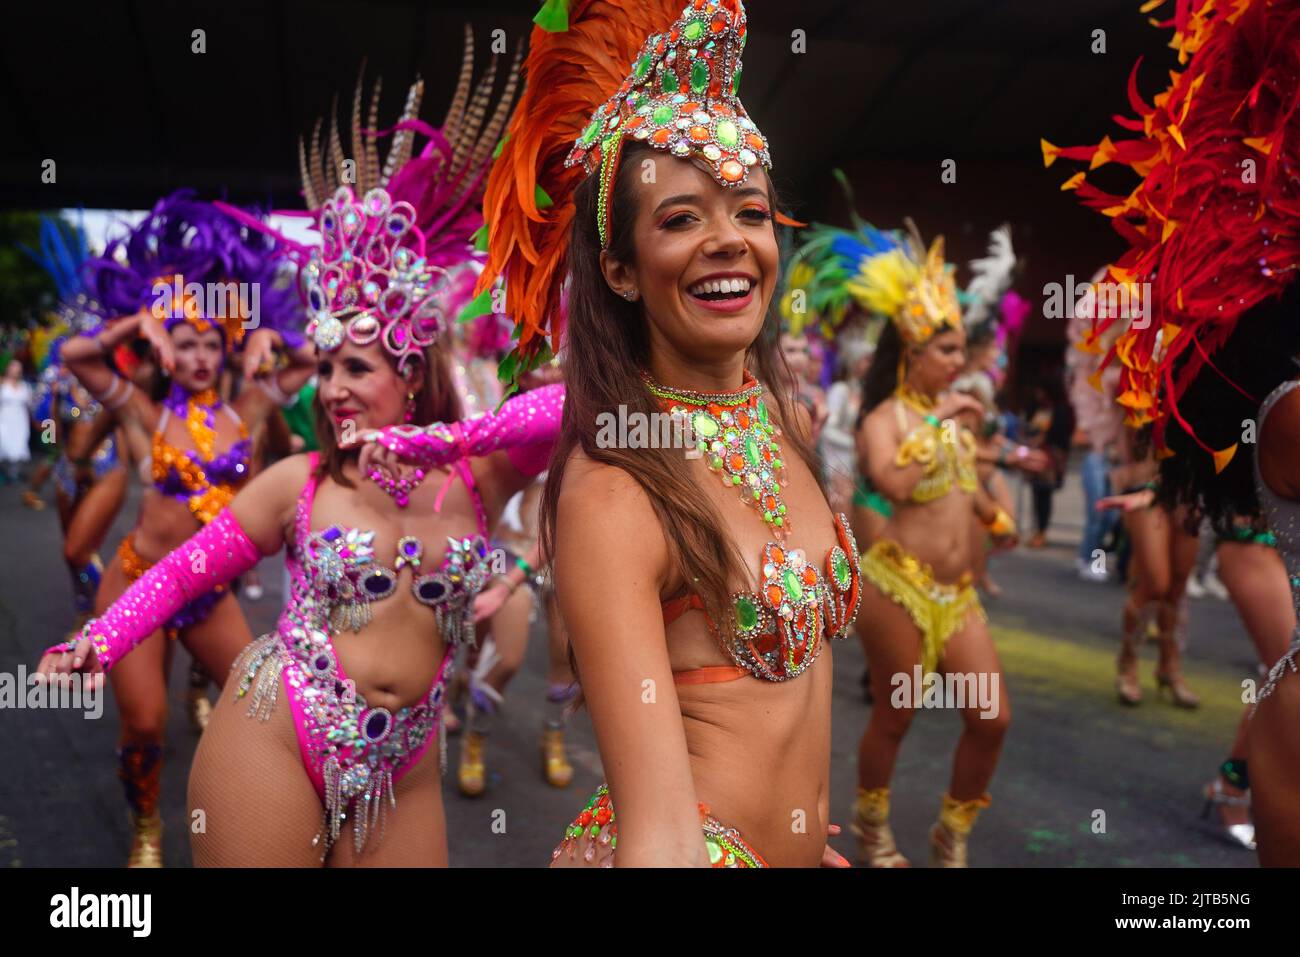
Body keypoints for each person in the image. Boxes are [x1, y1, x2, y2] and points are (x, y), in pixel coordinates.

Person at [38, 41, 546, 867]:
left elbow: (576, 414)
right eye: (328, 369)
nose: (332, 390)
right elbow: (181, 571)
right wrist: (103, 634)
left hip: (406, 765)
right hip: (279, 729)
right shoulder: (298, 480)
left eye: (357, 368)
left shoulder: (478, 475)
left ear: (412, 372)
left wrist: (451, 439)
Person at [473, 0, 857, 868]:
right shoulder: (615, 490)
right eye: (682, 219)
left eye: (750, 213)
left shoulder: (784, 419)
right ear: (619, 270)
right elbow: (662, 836)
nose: (729, 241)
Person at [1048, 0, 1300, 863]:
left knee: (1215, 615)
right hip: (1195, 498)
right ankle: (1142, 666)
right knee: (1154, 582)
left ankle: (1192, 706)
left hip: (1201, 498)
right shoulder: (1276, 405)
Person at [849, 224, 1016, 868]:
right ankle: (872, 828)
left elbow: (964, 494)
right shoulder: (882, 419)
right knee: (896, 717)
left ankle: (953, 832)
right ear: (913, 351)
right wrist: (942, 421)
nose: (957, 360)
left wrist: (997, 519)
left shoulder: (955, 413)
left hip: (959, 593)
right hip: (898, 585)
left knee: (992, 718)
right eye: (945, 350)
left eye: (957, 350)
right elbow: (891, 481)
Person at [0, 358, 33, 483]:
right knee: (4, 445)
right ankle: (5, 472)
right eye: (13, 367)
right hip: (4, 419)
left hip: (20, 420)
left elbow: (30, 404)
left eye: (18, 367)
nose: (16, 370)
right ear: (8, 369)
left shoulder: (25, 386)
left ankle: (13, 473)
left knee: (19, 446)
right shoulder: (2, 384)